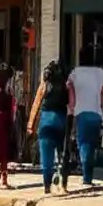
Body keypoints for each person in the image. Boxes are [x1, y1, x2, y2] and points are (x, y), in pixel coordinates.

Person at [67, 47, 103, 186]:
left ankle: (86, 176)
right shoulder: (100, 73)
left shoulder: (75, 73)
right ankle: (89, 175)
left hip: (81, 112)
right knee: (92, 145)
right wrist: (100, 100)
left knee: (83, 144)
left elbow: (69, 88)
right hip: (96, 112)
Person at [27, 60, 71, 194]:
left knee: (46, 156)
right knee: (62, 154)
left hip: (46, 120)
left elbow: (36, 105)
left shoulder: (45, 85)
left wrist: (30, 126)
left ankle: (47, 185)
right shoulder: (67, 86)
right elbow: (71, 105)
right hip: (61, 120)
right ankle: (62, 184)